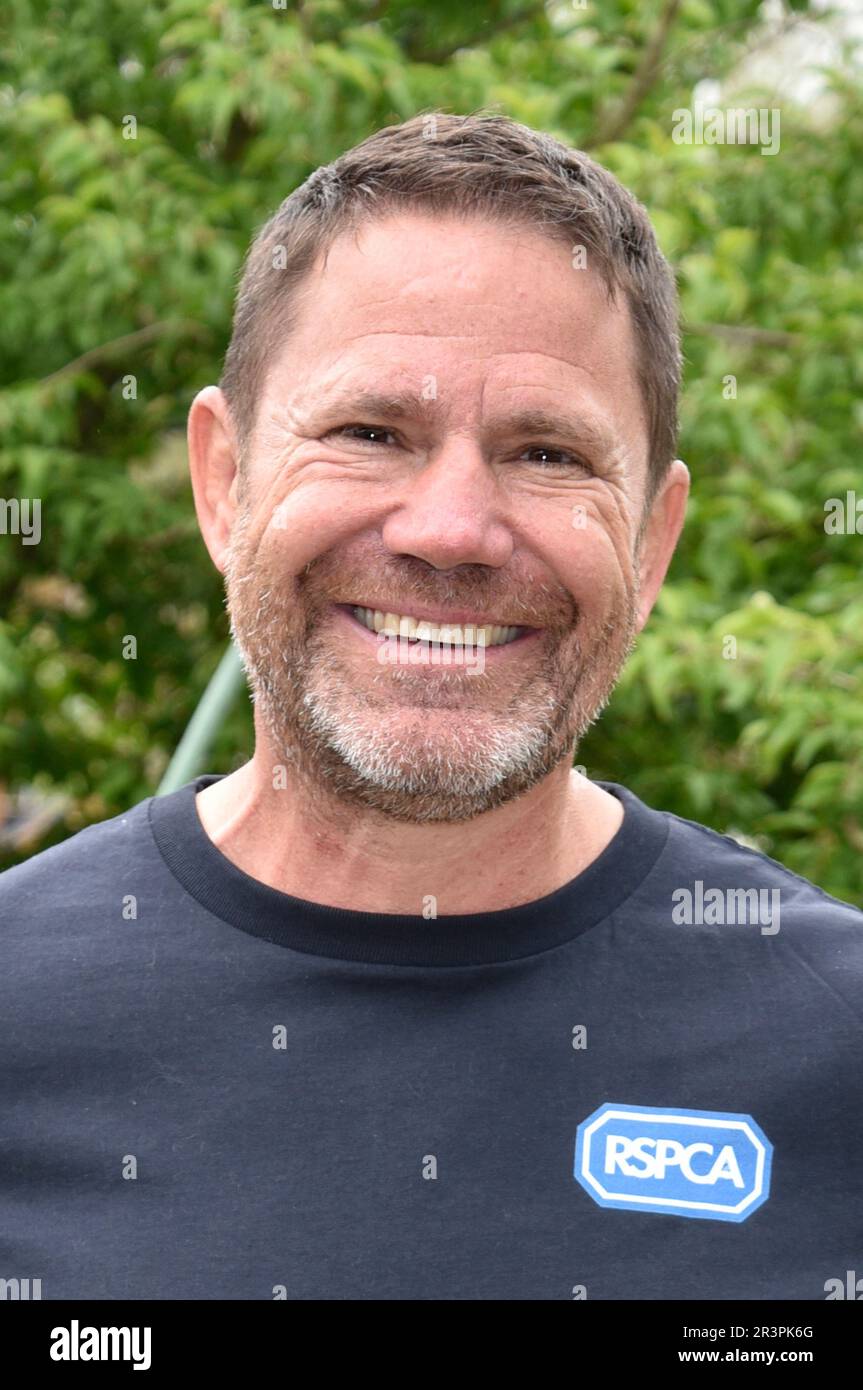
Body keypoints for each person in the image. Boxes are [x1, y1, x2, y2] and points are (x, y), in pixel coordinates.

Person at [1, 112, 860, 1302]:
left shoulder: (834, 1044)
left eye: (548, 453)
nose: (450, 529)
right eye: (369, 432)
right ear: (221, 482)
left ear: (653, 543)